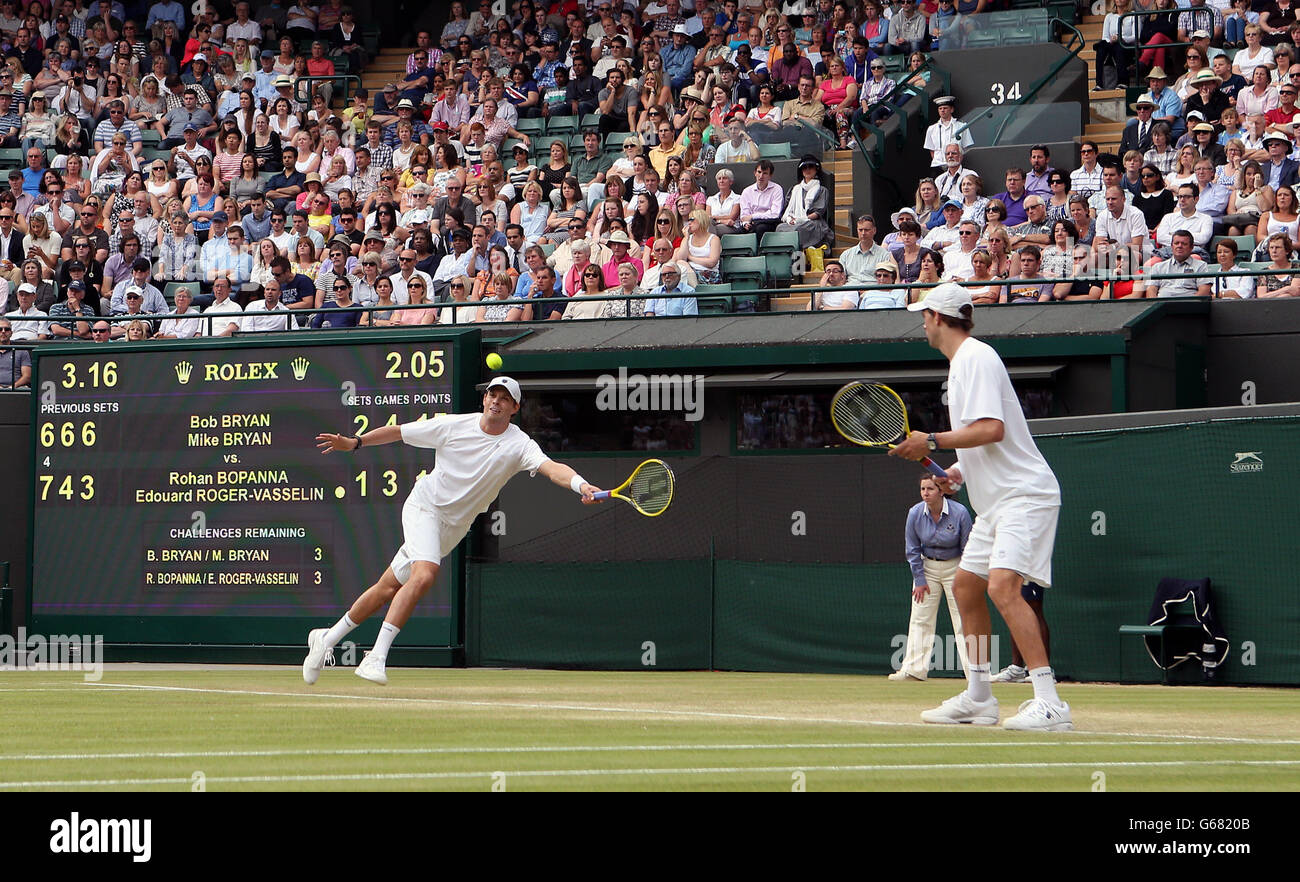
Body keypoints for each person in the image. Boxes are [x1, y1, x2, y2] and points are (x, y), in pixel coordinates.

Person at [305, 377, 602, 685]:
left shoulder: (520, 445)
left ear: (515, 407)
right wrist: (355, 443)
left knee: (387, 587)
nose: (495, 401)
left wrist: (580, 484)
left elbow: (552, 468)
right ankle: (376, 657)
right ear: (484, 399)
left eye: (504, 398)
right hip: (425, 508)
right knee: (425, 574)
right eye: (491, 395)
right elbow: (399, 432)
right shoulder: (452, 426)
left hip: (454, 526)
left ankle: (327, 637)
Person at [890, 283, 1070, 730]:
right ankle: (979, 697)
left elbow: (993, 429)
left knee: (1002, 588)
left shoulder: (976, 358)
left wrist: (930, 440)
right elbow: (980, 443)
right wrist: (956, 472)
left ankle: (1050, 702)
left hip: (1024, 496)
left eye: (923, 315)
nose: (922, 323)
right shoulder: (962, 365)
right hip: (995, 505)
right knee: (967, 588)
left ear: (937, 317)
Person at [890, 472, 973, 682]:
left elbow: (968, 549)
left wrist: (965, 578)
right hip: (927, 567)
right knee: (920, 618)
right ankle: (913, 670)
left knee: (964, 619)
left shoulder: (960, 513)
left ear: (941, 491)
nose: (925, 493)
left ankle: (976, 673)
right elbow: (912, 548)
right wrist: (919, 579)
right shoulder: (915, 513)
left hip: (956, 567)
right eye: (922, 489)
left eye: (930, 489)